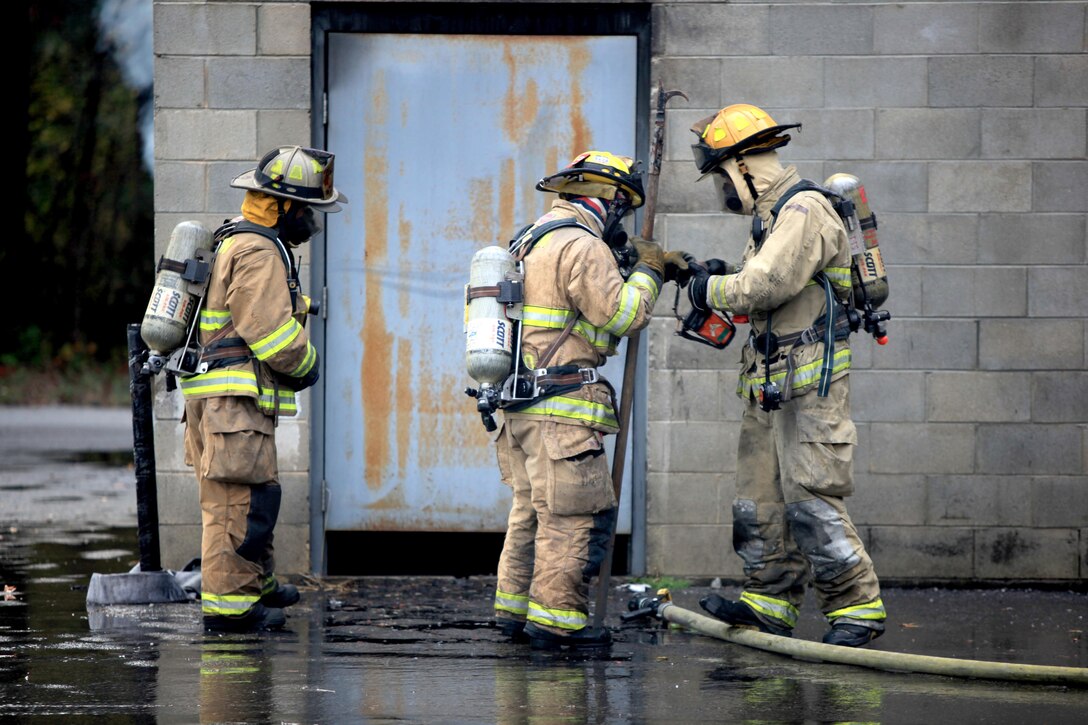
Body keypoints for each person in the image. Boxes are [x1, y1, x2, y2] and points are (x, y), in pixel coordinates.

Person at [683, 104, 886, 647]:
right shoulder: (771, 217)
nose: (722, 189)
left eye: (721, 176)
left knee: (811, 499)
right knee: (759, 501)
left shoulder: (803, 210)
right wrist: (714, 275)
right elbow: (757, 285)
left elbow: (764, 287)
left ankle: (857, 609)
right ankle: (768, 601)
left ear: (745, 165)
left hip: (809, 387)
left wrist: (709, 290)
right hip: (770, 385)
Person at [491, 151, 678, 650]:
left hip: (523, 405)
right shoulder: (580, 244)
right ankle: (556, 625)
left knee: (529, 511)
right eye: (622, 204)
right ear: (609, 199)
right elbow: (623, 316)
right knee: (570, 516)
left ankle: (514, 613)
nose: (622, 216)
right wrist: (651, 272)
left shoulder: (529, 238)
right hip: (564, 407)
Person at [180, 145, 347, 633]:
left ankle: (255, 583)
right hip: (232, 406)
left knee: (255, 498)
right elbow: (269, 333)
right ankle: (231, 609)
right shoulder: (256, 249)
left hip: (230, 406)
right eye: (309, 211)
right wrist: (309, 364)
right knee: (233, 505)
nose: (313, 223)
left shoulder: (243, 239)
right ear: (284, 205)